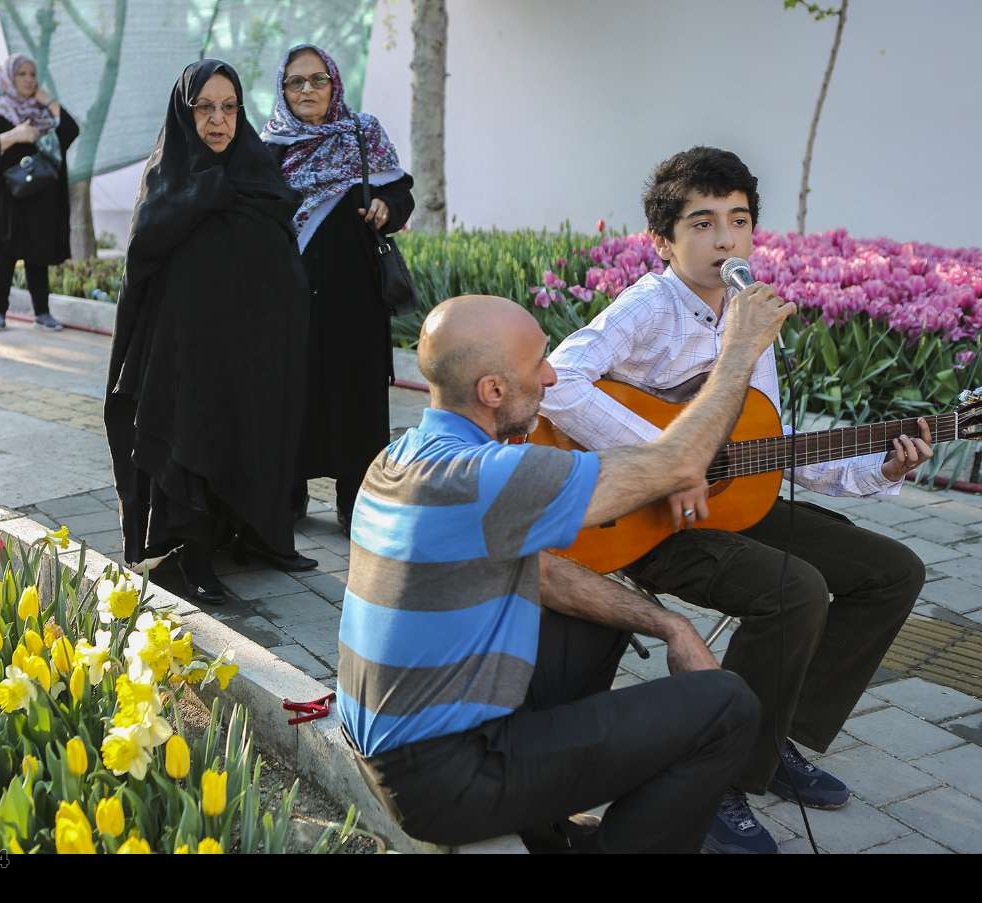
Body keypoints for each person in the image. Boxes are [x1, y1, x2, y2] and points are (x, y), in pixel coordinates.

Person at [542, 147, 932, 854]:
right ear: (663, 241)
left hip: (724, 505)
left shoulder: (749, 315)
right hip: (638, 517)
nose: (725, 239)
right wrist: (668, 459)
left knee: (892, 571)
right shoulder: (649, 306)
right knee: (793, 587)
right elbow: (558, 381)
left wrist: (880, 467)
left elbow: (767, 445)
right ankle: (716, 774)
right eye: (702, 223)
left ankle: (770, 740)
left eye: (739, 220)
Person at [340, 289, 796, 853]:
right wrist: (740, 349)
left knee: (599, 617)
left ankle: (547, 826)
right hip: (446, 777)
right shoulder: (487, 477)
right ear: (493, 391)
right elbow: (680, 463)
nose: (553, 376)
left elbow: (549, 576)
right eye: (539, 363)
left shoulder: (403, 454)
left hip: (405, 755)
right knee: (727, 706)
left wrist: (670, 625)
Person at [104, 59, 318, 606]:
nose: (218, 120)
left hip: (254, 344)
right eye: (204, 108)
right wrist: (202, 199)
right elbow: (143, 254)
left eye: (229, 107)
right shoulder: (169, 177)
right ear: (185, 113)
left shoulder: (257, 171)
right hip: (187, 349)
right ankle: (194, 556)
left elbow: (280, 248)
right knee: (192, 437)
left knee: (258, 429)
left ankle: (264, 536)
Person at [262, 44, 415, 536]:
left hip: (356, 298)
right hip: (288, 297)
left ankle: (356, 501)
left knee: (357, 397)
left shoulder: (362, 133)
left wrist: (388, 209)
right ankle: (288, 497)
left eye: (318, 79)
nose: (307, 89)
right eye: (296, 81)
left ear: (334, 83)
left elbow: (400, 191)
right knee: (290, 393)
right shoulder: (269, 146)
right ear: (282, 89)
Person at [0, 53, 80, 332]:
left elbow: (71, 130)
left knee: (37, 253)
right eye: (22, 74)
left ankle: (42, 313)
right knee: (4, 254)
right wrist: (13, 136)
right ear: (10, 77)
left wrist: (50, 102)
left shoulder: (43, 111)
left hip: (40, 195)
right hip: (6, 196)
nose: (29, 80)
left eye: (33, 74)